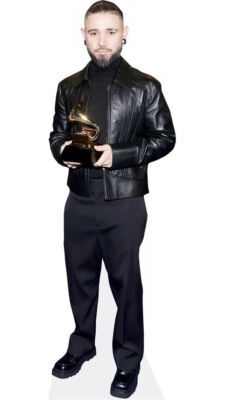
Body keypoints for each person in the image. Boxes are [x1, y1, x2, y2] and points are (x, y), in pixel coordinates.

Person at [49, 1, 175, 397]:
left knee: (126, 285)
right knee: (79, 279)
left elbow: (165, 138)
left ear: (124, 34)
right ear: (83, 35)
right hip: (78, 200)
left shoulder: (145, 86)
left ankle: (128, 360)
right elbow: (56, 135)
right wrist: (63, 151)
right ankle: (82, 345)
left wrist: (116, 156)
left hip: (124, 202)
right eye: (94, 32)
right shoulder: (68, 87)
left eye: (110, 32)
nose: (102, 41)